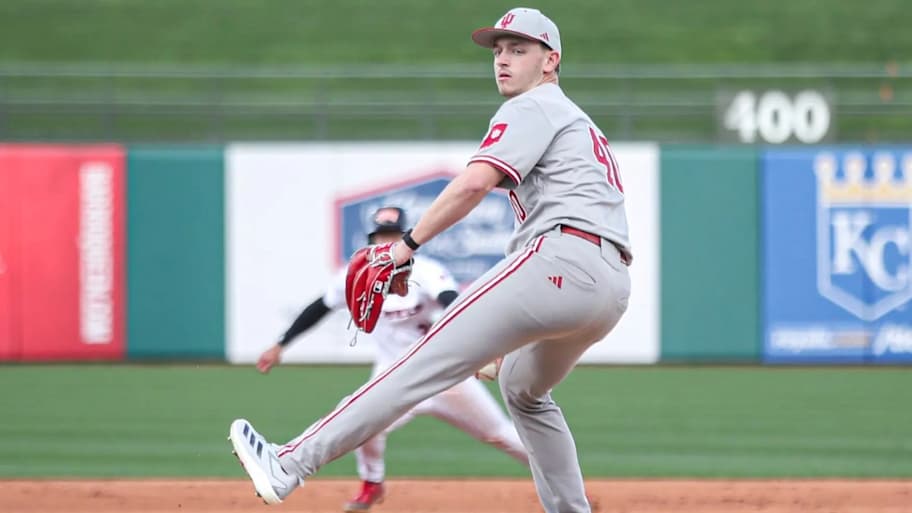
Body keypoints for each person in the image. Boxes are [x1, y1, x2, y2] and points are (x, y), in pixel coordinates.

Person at [229, 8, 632, 513]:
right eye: (499, 50)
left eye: (519, 49)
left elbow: (473, 183)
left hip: (559, 260)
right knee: (524, 392)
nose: (503, 59)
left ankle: (288, 465)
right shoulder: (577, 121)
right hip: (610, 285)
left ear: (551, 61)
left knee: (413, 365)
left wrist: (404, 248)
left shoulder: (533, 107)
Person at [253, 206, 529, 512]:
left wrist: (478, 344)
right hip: (392, 371)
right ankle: (372, 484)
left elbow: (452, 301)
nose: (386, 241)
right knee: (363, 423)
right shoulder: (357, 273)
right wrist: (281, 344)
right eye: (380, 236)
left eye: (393, 235)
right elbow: (321, 306)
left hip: (442, 373)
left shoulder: (425, 271)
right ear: (372, 240)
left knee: (501, 435)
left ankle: (560, 481)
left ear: (407, 238)